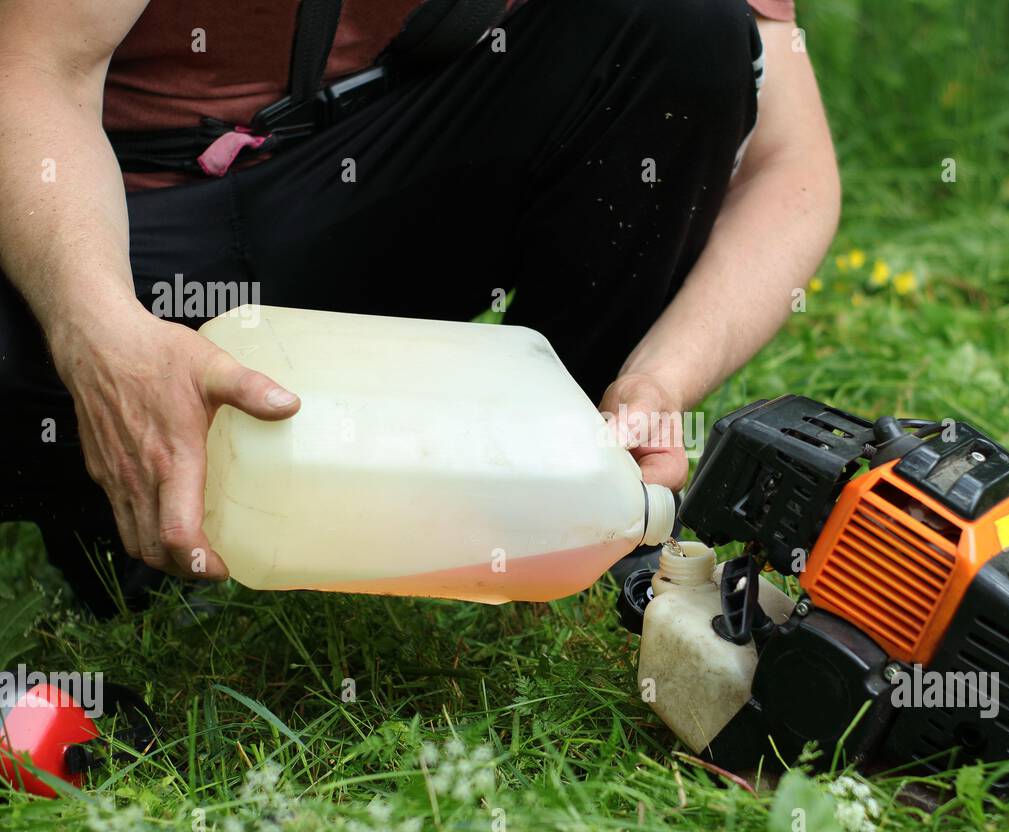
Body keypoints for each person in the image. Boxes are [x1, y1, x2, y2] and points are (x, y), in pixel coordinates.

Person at [0, 0, 840, 614]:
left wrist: (655, 381)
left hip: (376, 184)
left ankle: (538, 504)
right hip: (100, 218)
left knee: (678, 22)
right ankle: (116, 495)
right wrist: (101, 337)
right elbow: (32, 70)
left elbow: (789, 171)